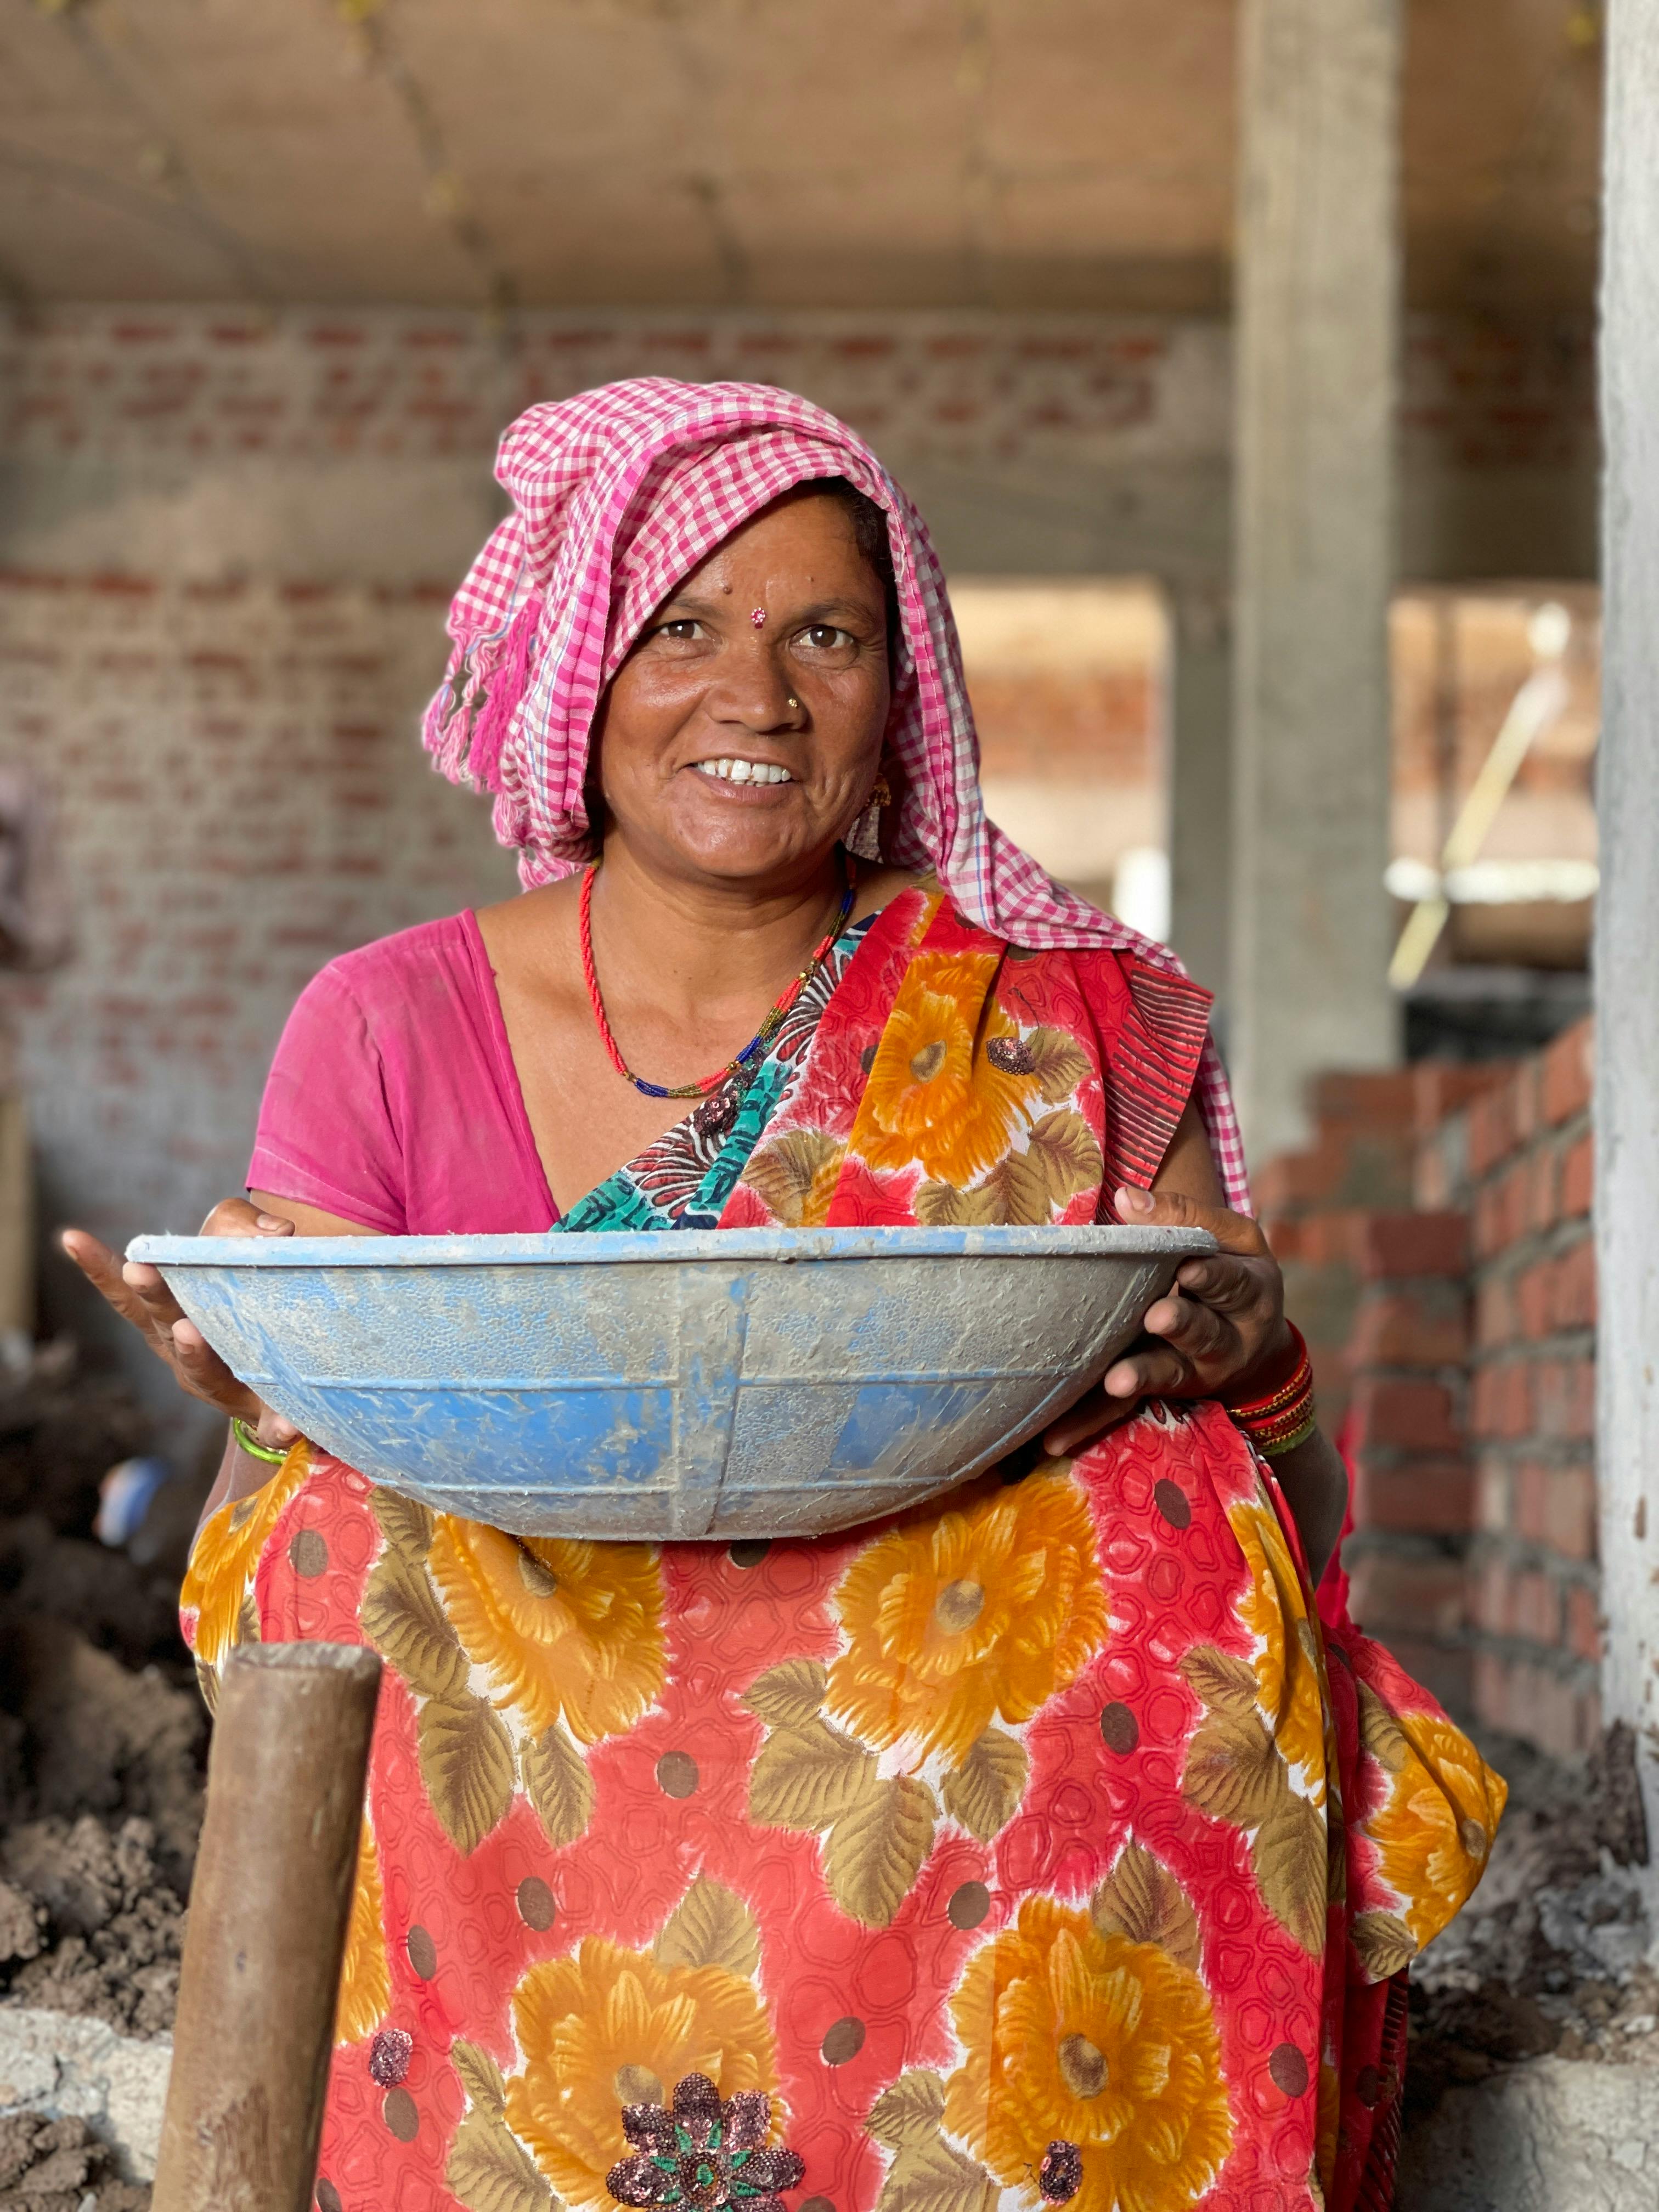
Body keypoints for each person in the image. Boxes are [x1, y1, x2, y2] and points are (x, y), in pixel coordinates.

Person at [65, 380, 1502, 2212]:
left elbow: (1279, 1518)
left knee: (1161, 1511)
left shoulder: (1038, 1018)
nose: (756, 698)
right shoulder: (387, 1019)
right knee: (341, 1531)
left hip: (941, 1648)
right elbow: (283, 1470)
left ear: (897, 694)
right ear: (581, 672)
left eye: (824, 634)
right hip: (529, 1655)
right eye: (683, 630)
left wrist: (1250, 1360)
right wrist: (265, 1374)